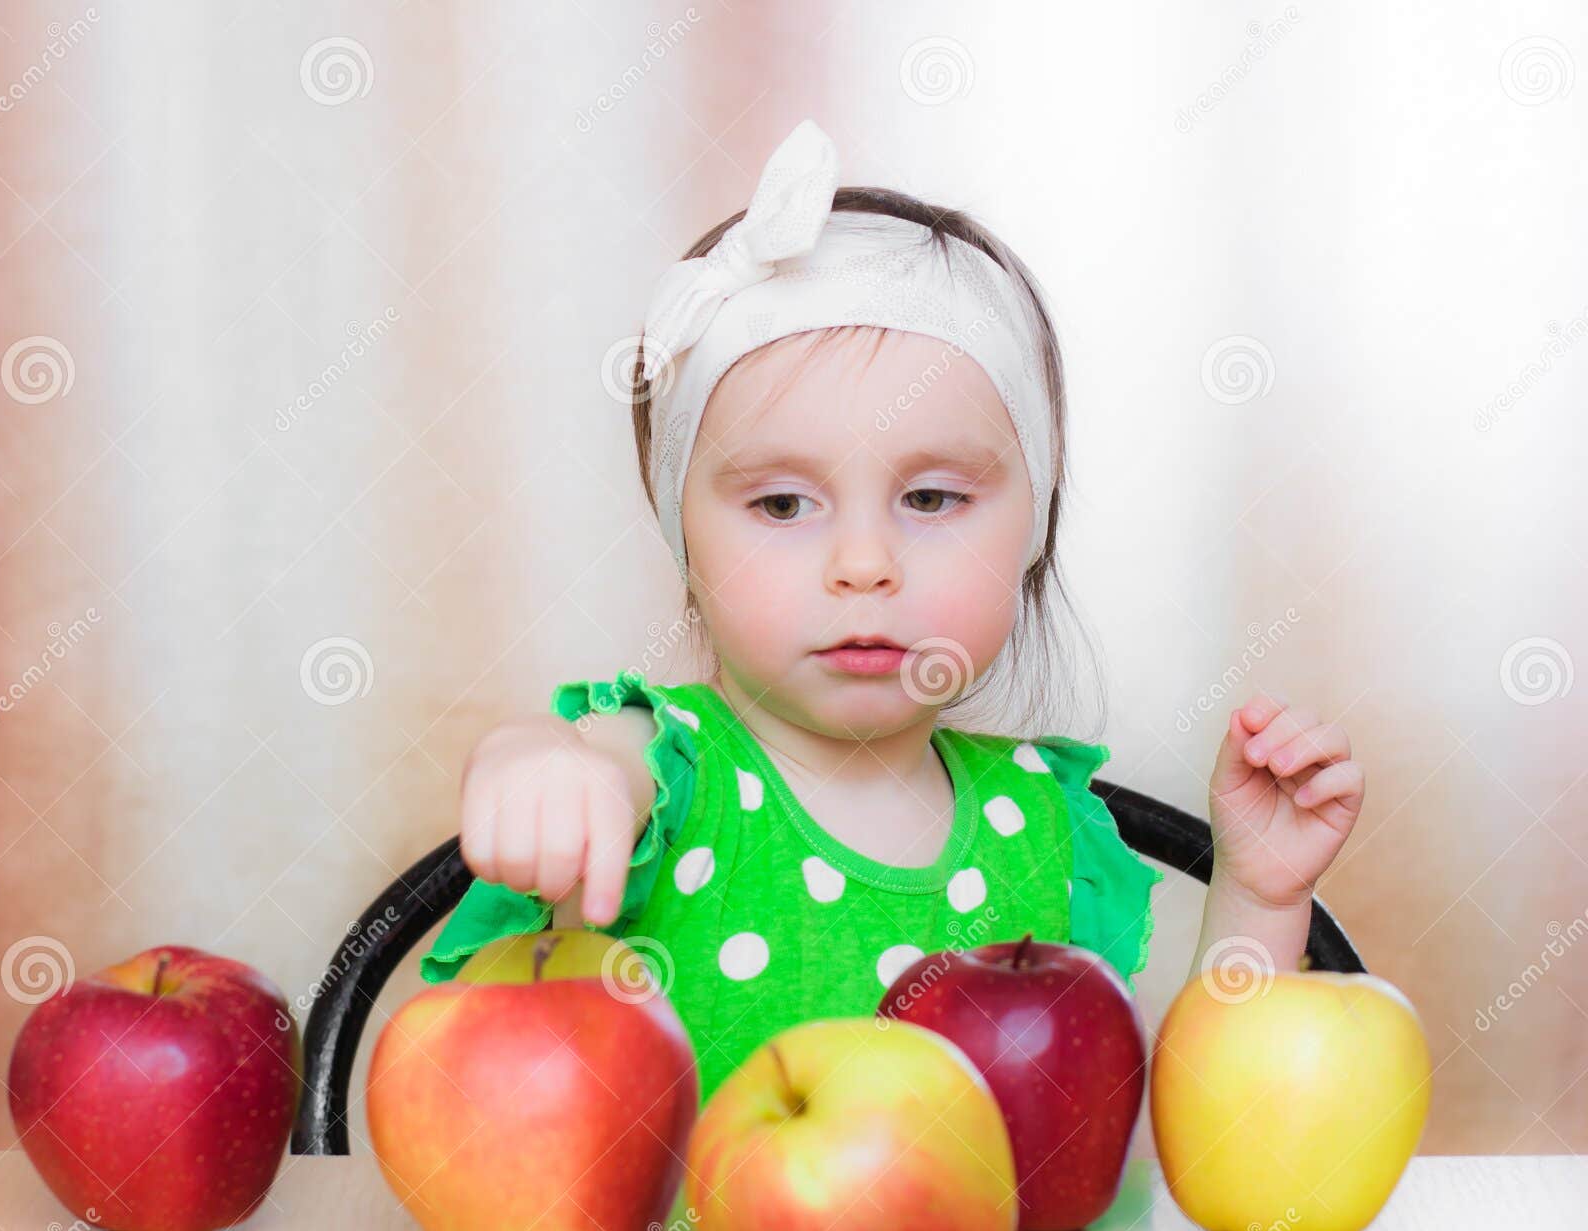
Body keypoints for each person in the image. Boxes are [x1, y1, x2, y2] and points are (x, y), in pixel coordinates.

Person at [420, 118, 1363, 1107]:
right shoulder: (661, 775)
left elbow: (1209, 1134)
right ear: (684, 542)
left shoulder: (1043, 827)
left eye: (931, 500)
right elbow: (588, 765)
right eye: (781, 504)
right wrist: (541, 765)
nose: (863, 565)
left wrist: (1258, 896)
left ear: (1032, 528)